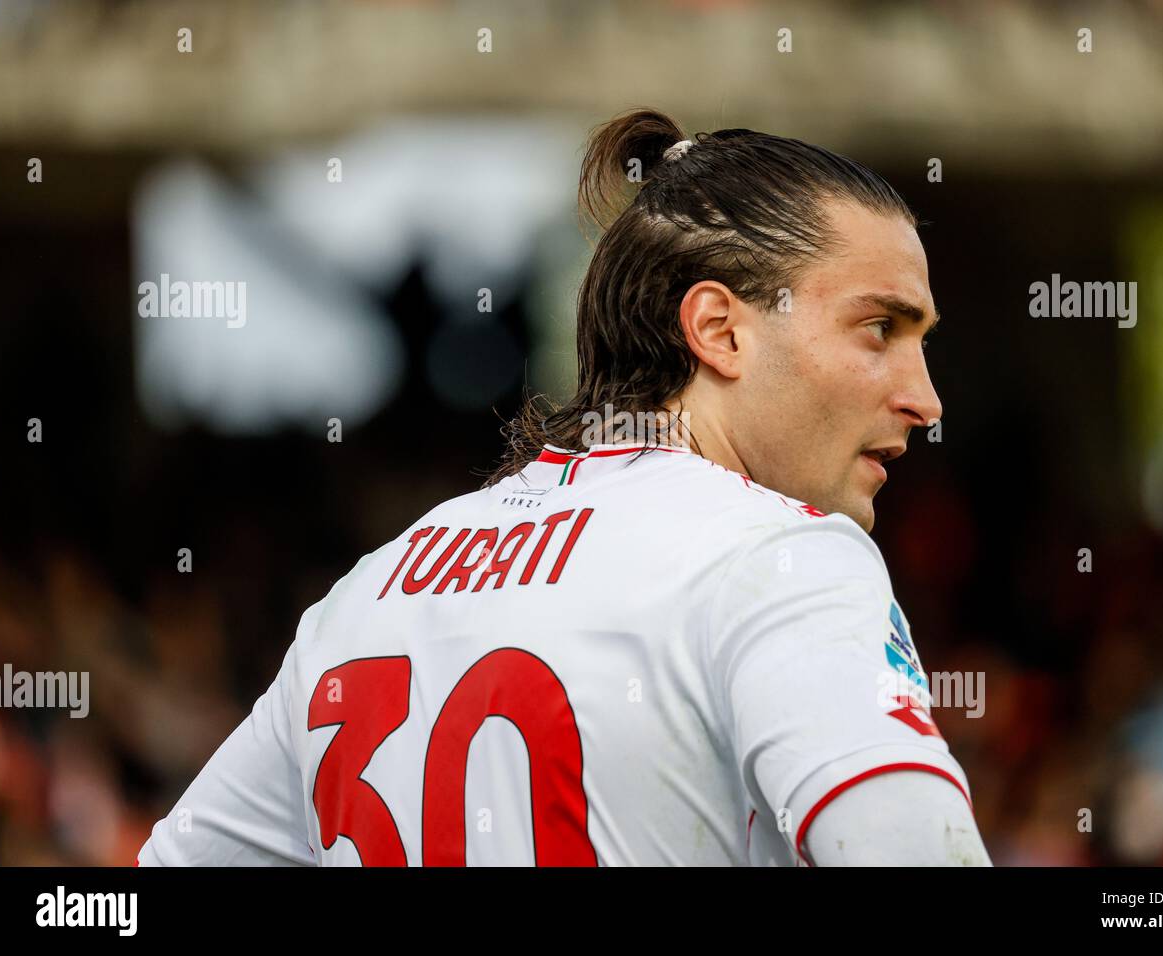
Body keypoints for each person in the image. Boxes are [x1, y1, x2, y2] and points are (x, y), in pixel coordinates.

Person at [138, 107, 990, 866]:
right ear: (720, 331)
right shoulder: (785, 562)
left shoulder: (371, 589)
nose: (925, 398)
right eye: (879, 327)